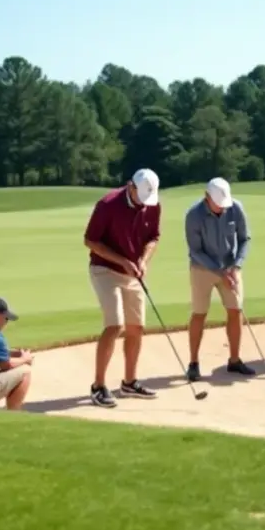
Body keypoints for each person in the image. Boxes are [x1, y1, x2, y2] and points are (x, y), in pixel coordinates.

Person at [83, 168, 162, 407]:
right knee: (114, 324)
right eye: (140, 196)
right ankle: (98, 387)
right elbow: (90, 240)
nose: (144, 203)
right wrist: (123, 261)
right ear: (131, 186)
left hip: (133, 272)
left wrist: (143, 261)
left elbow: (153, 237)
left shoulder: (153, 203)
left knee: (136, 327)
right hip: (104, 269)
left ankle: (129, 382)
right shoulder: (108, 204)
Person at [183, 177, 255, 381]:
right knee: (199, 313)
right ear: (207, 198)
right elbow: (195, 251)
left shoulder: (235, 208)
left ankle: (234, 360)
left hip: (230, 267)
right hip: (202, 269)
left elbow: (244, 239)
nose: (222, 208)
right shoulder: (193, 215)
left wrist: (236, 265)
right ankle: (194, 363)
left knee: (235, 309)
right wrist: (219, 271)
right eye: (217, 204)